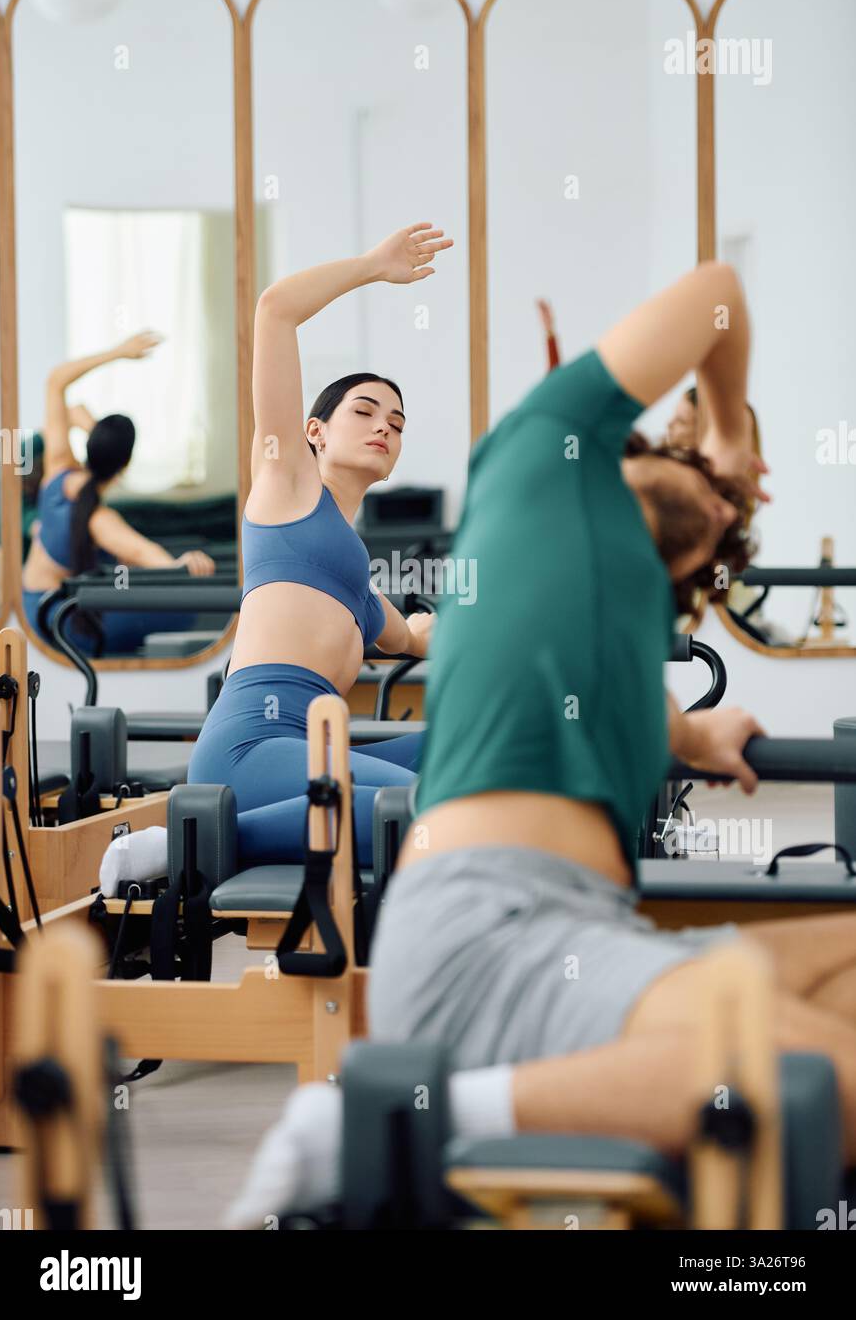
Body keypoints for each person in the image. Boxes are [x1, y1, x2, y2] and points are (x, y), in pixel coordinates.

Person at [225, 262, 856, 1225]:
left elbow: (597, 693)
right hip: (480, 928)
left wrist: (696, 733)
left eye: (727, 526)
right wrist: (731, 427)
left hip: (586, 924)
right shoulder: (539, 461)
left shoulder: (604, 620)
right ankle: (381, 1126)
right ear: (635, 458)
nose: (728, 502)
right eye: (707, 476)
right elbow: (720, 292)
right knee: (819, 1074)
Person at [187, 223, 453, 868]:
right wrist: (371, 266)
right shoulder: (287, 482)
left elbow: (417, 637)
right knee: (433, 819)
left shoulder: (357, 586)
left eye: (395, 422)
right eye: (364, 411)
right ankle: (185, 844)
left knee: (470, 757)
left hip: (315, 747)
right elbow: (275, 311)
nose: (383, 427)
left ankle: (204, 839)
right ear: (315, 433)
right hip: (252, 746)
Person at [22, 332, 215, 655]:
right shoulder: (101, 521)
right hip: (57, 621)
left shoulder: (57, 469)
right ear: (124, 466)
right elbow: (146, 554)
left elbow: (56, 381)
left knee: (121, 572)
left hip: (32, 606)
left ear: (90, 442)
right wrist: (181, 563)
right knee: (186, 610)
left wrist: (118, 352)